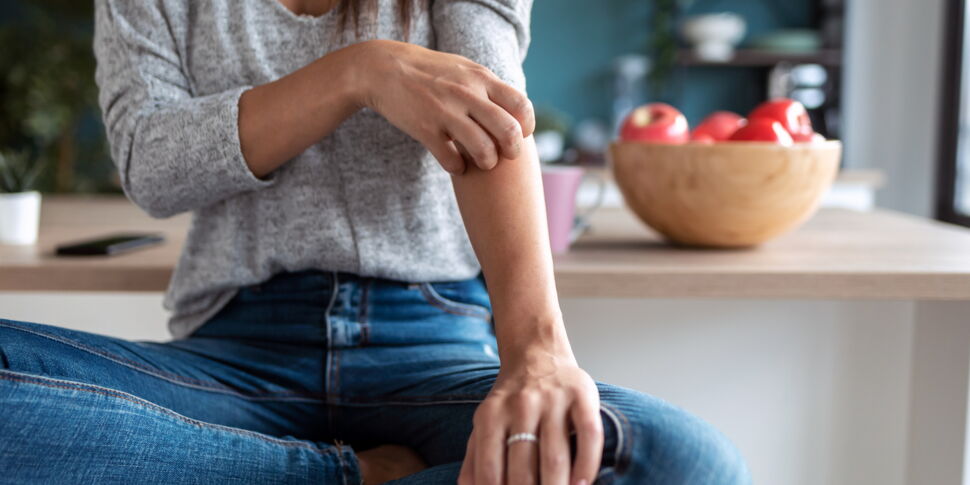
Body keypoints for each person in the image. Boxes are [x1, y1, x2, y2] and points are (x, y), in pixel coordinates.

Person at [0, 0, 751, 483]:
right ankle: (351, 474)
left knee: (681, 463)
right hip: (235, 356)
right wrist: (358, 72)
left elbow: (492, 116)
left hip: (432, 344)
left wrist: (539, 356)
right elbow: (151, 164)